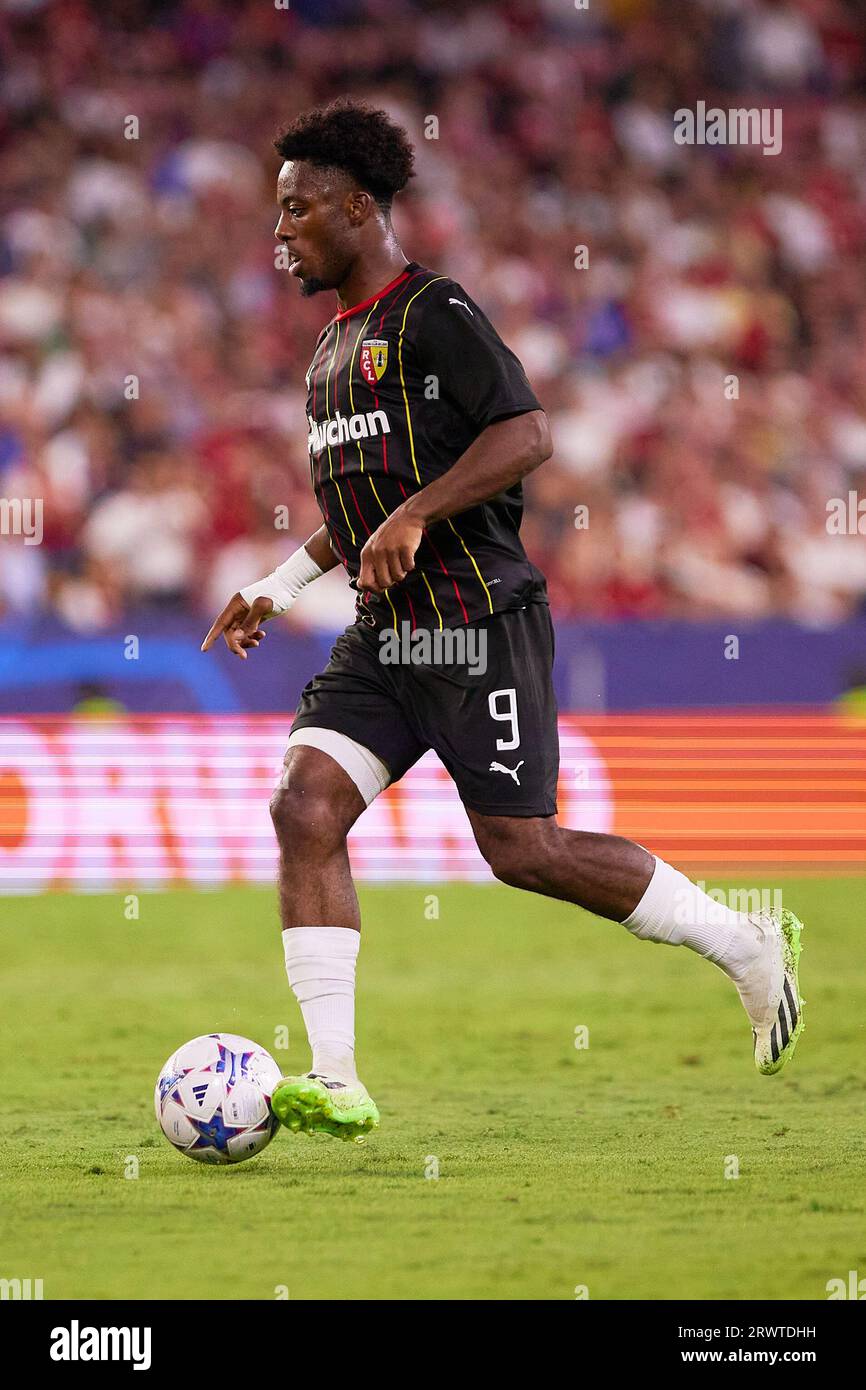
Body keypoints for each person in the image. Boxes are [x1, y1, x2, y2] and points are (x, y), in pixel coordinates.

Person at [202, 99, 804, 1143]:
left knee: (522, 850)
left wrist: (416, 512)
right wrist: (276, 583)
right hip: (386, 635)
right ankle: (335, 1077)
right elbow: (361, 511)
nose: (281, 230)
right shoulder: (328, 353)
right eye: (279, 212)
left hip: (476, 622)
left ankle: (740, 940)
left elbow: (524, 433)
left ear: (356, 207)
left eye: (298, 210)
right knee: (303, 808)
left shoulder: (434, 311)